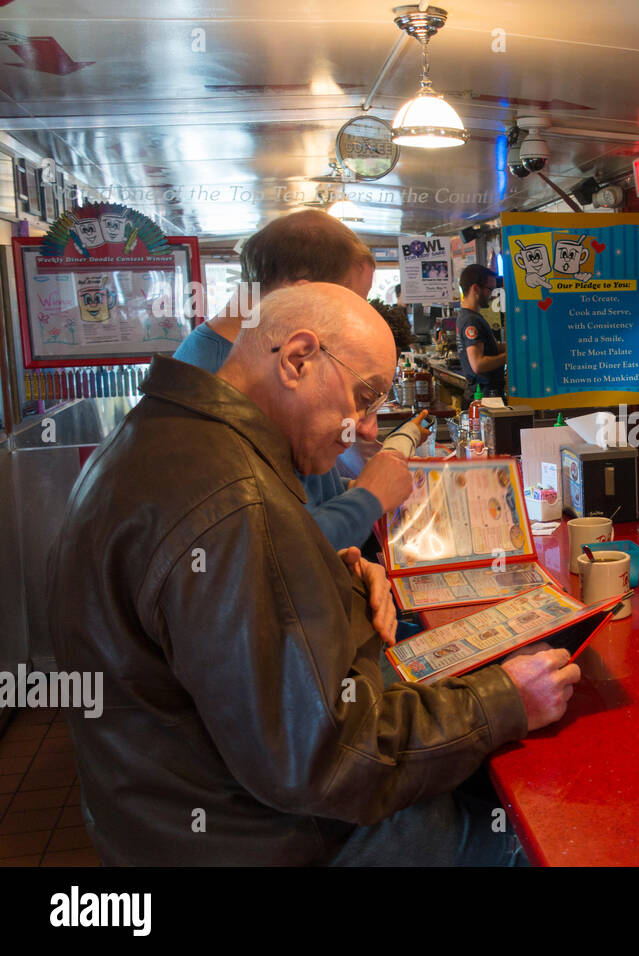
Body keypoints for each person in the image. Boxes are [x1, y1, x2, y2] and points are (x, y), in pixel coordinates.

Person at [48, 284, 581, 865]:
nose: (370, 429)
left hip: (171, 822)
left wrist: (327, 575)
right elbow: (329, 758)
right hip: (277, 841)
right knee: (546, 836)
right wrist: (503, 698)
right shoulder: (237, 500)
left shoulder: (160, 439)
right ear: (298, 360)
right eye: (365, 396)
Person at [172, 208, 410, 550]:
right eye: (350, 303)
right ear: (304, 294)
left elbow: (299, 494)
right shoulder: (221, 377)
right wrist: (368, 498)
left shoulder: (246, 356)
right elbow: (267, 548)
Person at [455, 263, 507, 404]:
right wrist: (509, 357)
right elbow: (478, 364)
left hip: (485, 394)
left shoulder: (468, 316)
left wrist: (515, 346)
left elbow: (493, 347)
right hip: (486, 396)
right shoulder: (471, 321)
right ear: (476, 288)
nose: (492, 295)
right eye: (489, 289)